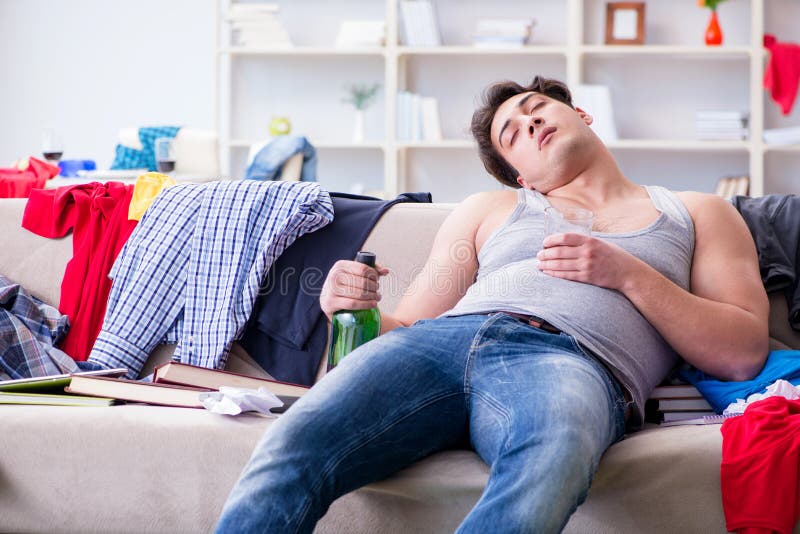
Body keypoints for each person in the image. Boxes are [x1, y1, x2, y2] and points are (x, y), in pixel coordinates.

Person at [215, 76, 769, 533]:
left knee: (550, 460)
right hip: (435, 345)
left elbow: (741, 351)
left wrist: (627, 275)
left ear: (582, 114)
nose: (530, 123)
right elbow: (407, 322)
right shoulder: (490, 210)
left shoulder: (696, 211)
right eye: (513, 132)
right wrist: (349, 308)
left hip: (572, 362)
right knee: (292, 445)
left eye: (538, 109)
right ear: (521, 175)